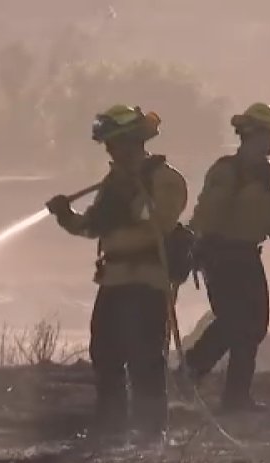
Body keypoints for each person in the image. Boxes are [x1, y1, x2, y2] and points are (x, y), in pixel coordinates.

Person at [45, 104, 188, 445]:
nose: (110, 151)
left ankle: (152, 431)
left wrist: (129, 196)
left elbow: (160, 223)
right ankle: (110, 426)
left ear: (135, 141)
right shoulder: (113, 183)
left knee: (145, 357)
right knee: (105, 353)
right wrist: (66, 215)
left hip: (148, 279)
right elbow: (91, 226)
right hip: (114, 280)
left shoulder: (165, 179)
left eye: (116, 143)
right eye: (108, 145)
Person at [182, 103, 270, 413]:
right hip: (220, 256)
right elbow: (206, 213)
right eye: (268, 134)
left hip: (248, 256)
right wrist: (190, 246)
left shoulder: (267, 173)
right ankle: (190, 372)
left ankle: (236, 398)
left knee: (254, 326)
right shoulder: (227, 171)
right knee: (232, 322)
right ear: (251, 135)